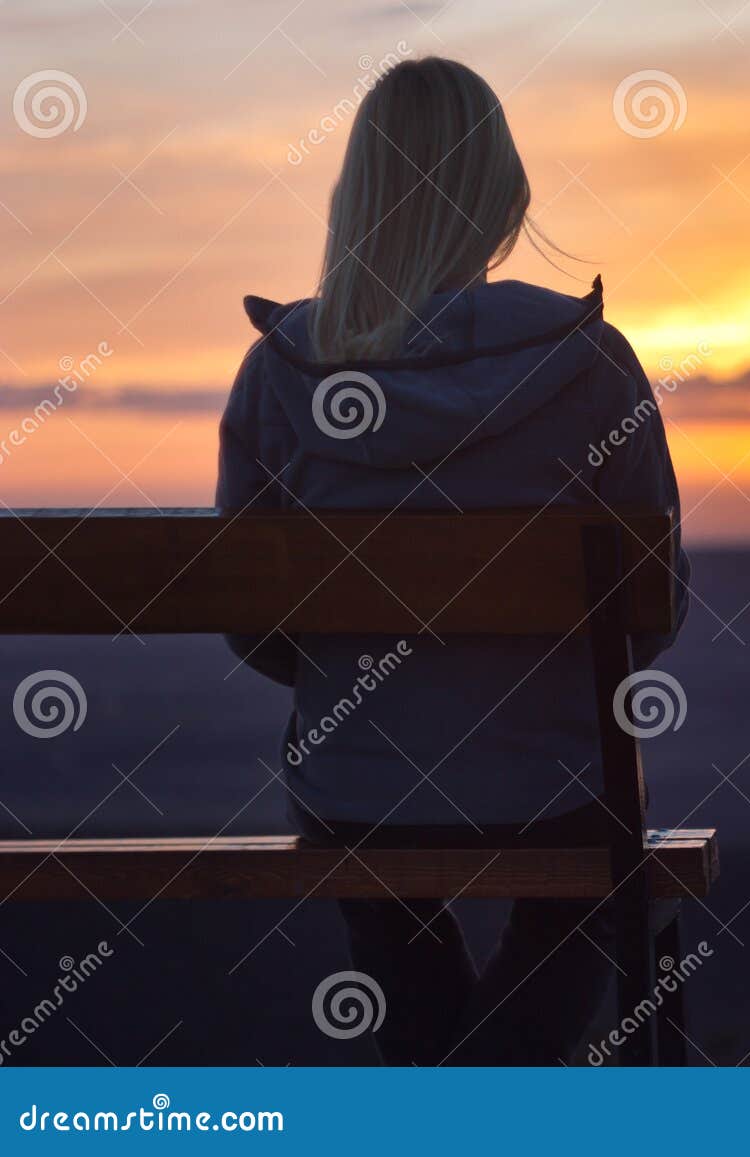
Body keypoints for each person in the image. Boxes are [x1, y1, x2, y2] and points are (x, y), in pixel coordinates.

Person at [214, 56, 689, 1065]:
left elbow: (249, 617)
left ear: (358, 194)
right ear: (499, 193)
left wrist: (364, 681)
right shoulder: (589, 360)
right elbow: (651, 612)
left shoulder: (281, 371)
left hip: (358, 779)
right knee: (589, 893)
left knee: (386, 901)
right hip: (556, 777)